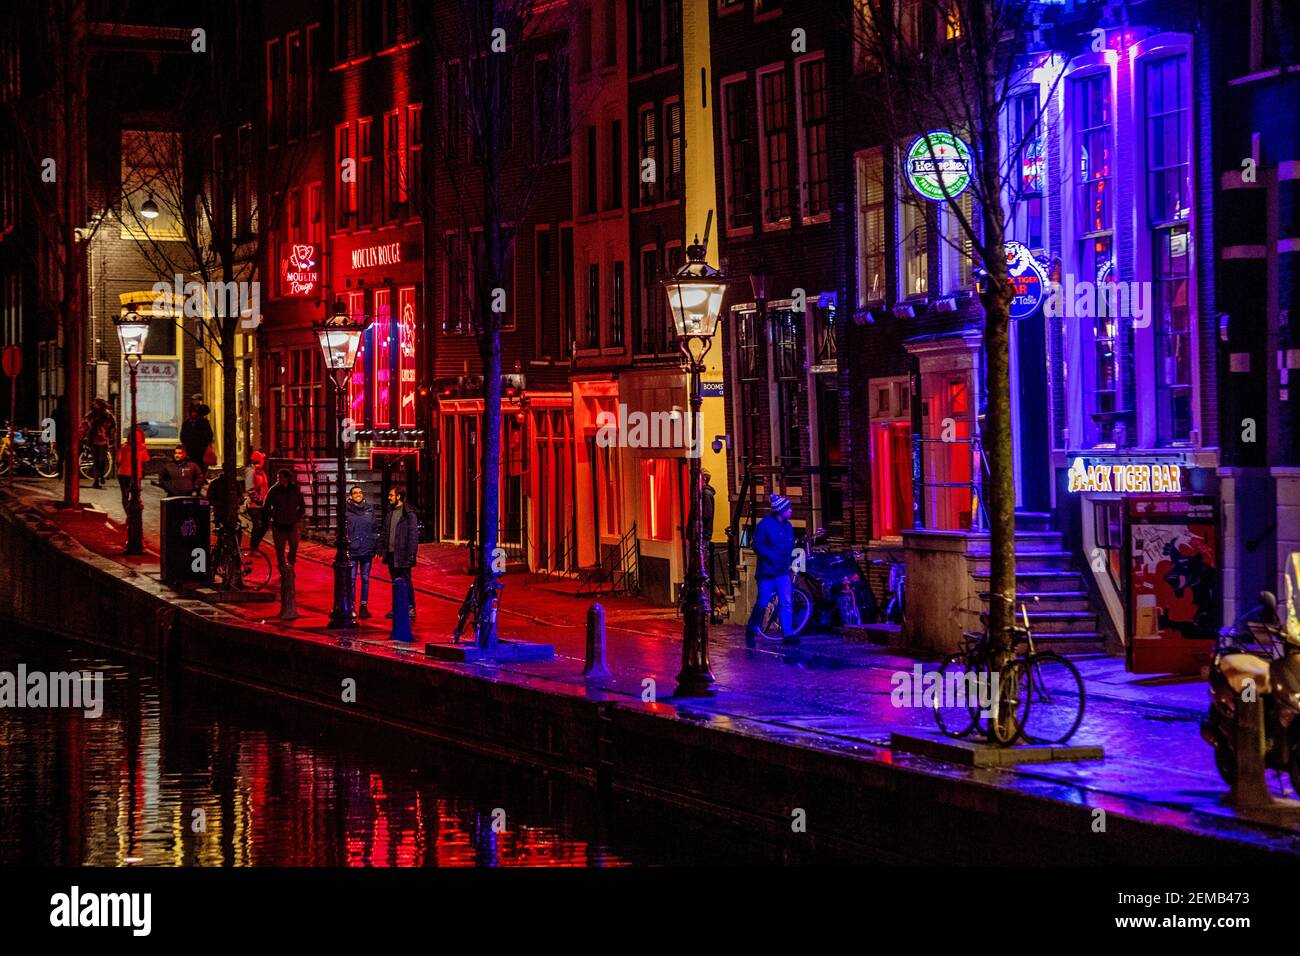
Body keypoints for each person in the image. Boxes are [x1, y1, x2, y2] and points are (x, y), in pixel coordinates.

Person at [745, 493, 798, 647]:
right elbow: (757, 545)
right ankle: (752, 628)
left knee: (786, 602)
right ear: (780, 510)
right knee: (762, 603)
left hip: (782, 571)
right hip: (767, 573)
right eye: (788, 508)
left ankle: (788, 633)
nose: (791, 511)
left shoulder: (788, 526)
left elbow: (790, 545)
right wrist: (771, 556)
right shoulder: (764, 525)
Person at [382, 486, 419, 621]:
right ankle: (397, 607)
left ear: (398, 496)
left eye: (391, 495)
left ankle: (410, 607)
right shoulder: (390, 512)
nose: (389, 497)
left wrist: (411, 554)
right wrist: (382, 549)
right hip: (392, 554)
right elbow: (386, 532)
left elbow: (413, 536)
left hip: (403, 553)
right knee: (395, 582)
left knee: (406, 581)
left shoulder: (409, 514)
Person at [346, 486, 380, 619]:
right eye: (355, 493)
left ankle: (363, 605)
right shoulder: (347, 511)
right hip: (353, 550)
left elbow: (375, 528)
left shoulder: (369, 510)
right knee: (352, 579)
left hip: (367, 549)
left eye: (360, 492)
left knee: (365, 579)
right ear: (350, 496)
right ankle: (352, 605)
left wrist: (376, 547)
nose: (358, 495)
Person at [264, 468, 305, 570]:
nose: (278, 479)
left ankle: (291, 564)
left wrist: (297, 517)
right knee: (279, 548)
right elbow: (266, 505)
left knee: (294, 546)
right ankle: (282, 566)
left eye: (280, 477)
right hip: (278, 524)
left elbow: (302, 505)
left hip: (292, 523)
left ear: (287, 478)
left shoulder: (295, 490)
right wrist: (273, 516)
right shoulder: (274, 490)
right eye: (278, 477)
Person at [82, 398, 117, 489]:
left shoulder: (108, 415)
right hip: (94, 440)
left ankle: (101, 475)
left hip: (103, 440)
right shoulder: (91, 414)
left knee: (102, 460)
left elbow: (113, 427)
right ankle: (96, 480)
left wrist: (108, 434)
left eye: (96, 404)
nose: (94, 405)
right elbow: (85, 423)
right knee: (95, 461)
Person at [115, 426, 149, 514]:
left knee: (125, 495)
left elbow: (118, 461)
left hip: (123, 473)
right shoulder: (142, 448)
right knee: (136, 496)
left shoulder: (124, 447)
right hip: (136, 474)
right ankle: (132, 515)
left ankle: (129, 515)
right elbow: (146, 459)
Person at [244, 450, 270, 550]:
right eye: (262, 459)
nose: (264, 460)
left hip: (262, 504)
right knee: (258, 525)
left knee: (265, 525)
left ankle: (255, 545)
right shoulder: (251, 471)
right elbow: (250, 489)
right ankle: (253, 547)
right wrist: (258, 499)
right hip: (254, 505)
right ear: (259, 460)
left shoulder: (261, 472)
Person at [180, 404, 214, 476]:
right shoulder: (187, 423)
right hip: (190, 448)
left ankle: (200, 477)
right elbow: (183, 435)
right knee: (191, 463)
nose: (194, 414)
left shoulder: (203, 422)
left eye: (195, 412)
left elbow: (209, 434)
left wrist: (206, 443)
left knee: (200, 463)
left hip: (201, 448)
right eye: (192, 412)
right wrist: (186, 444)